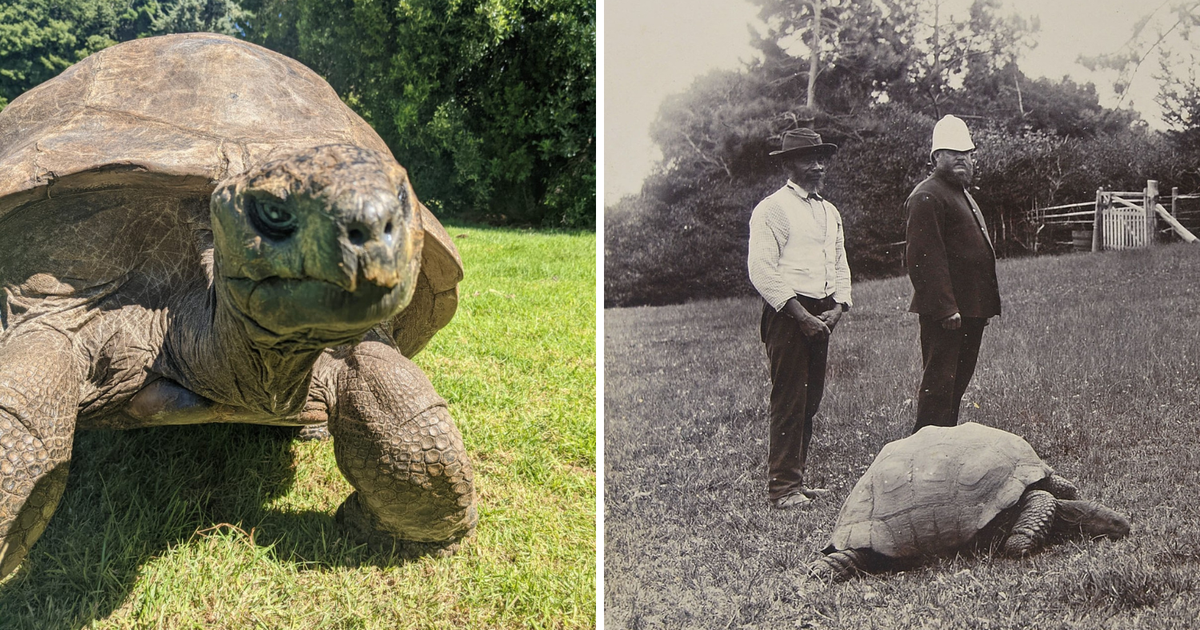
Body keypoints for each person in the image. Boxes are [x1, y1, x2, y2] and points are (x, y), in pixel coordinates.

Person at [748, 128, 852, 509]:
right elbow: (761, 269)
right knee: (789, 400)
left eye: (823, 158)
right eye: (810, 158)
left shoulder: (829, 211)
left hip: (822, 313)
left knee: (810, 401)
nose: (819, 165)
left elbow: (839, 262)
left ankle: (797, 480)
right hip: (788, 315)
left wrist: (839, 307)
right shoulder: (772, 209)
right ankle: (782, 488)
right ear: (789, 164)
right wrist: (800, 315)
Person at [904, 115, 1001, 434]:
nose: (962, 158)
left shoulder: (961, 193)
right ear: (935, 157)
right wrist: (946, 308)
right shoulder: (927, 195)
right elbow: (924, 258)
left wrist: (979, 307)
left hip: (970, 310)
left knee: (955, 386)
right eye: (952, 152)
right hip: (947, 313)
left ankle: (942, 449)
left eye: (967, 152)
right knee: (938, 388)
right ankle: (924, 455)